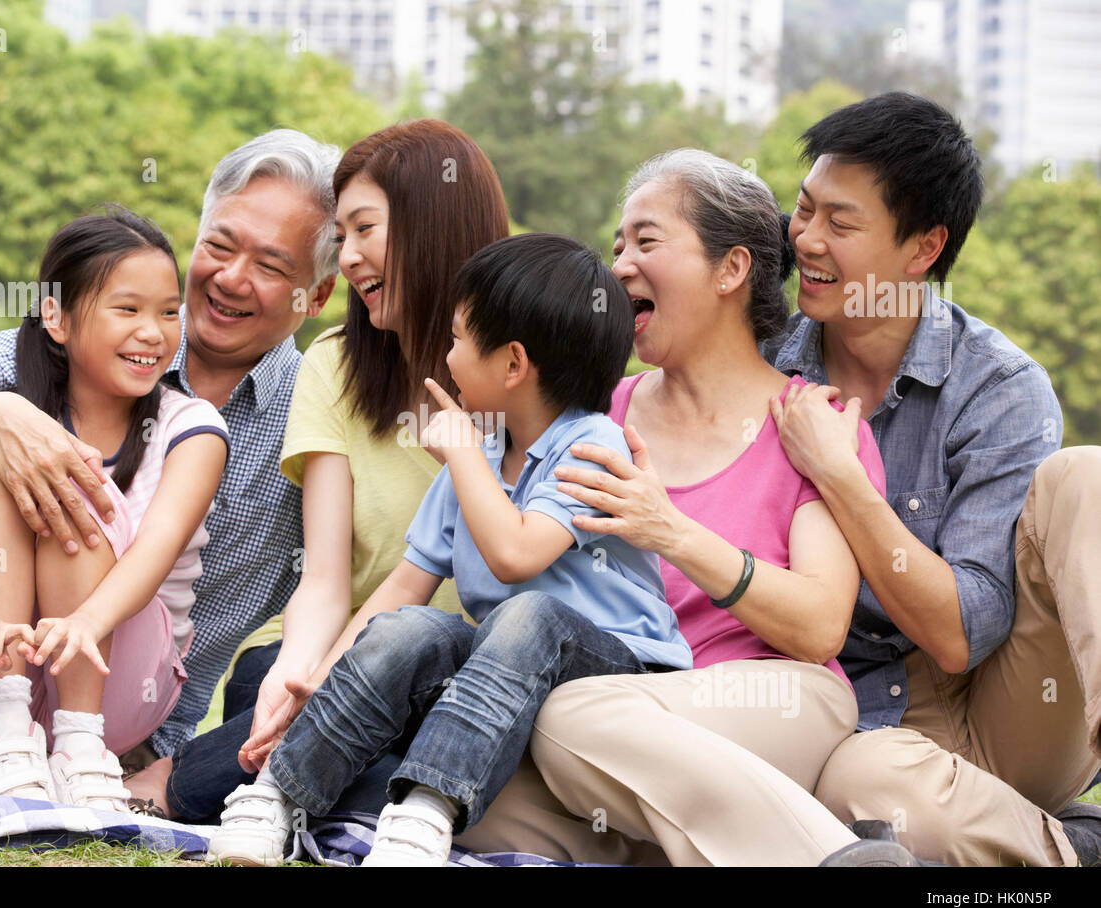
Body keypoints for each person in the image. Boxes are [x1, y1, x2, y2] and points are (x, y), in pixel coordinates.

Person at [0, 129, 339, 794]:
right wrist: (1, 417)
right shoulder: (95, 333)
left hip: (119, 713)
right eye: (220, 247)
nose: (231, 279)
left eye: (271, 266)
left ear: (316, 298)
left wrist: (179, 768)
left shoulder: (314, 416)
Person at [458, 148, 908, 867]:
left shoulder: (815, 426)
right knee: (466, 798)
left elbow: (820, 624)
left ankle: (825, 860)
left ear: (732, 270)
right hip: (616, 717)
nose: (620, 267)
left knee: (574, 721)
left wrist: (669, 530)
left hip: (778, 700)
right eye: (616, 248)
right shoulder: (589, 416)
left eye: (646, 241)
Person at [209, 233, 693, 866]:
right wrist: (319, 681)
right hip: (510, 663)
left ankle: (423, 817)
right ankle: (277, 796)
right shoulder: (481, 454)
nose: (448, 355)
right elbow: (400, 590)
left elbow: (516, 557)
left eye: (461, 339)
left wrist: (463, 453)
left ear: (513, 364)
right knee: (411, 628)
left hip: (620, 669)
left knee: (527, 613)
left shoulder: (593, 446)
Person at [124, 118, 512, 821]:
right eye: (344, 236)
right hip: (324, 646)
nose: (352, 257)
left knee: (411, 706)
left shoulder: (522, 368)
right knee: (273, 691)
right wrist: (301, 672)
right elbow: (325, 578)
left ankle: (180, 783)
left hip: (450, 670)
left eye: (366, 230)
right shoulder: (336, 363)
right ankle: (309, 777)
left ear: (434, 225)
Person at [761, 92, 1101, 866]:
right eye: (804, 210)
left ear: (922, 250)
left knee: (1087, 476)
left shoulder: (998, 385)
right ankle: (1074, 850)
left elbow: (960, 635)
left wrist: (840, 478)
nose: (807, 239)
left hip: (1006, 705)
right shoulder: (765, 366)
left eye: (839, 224)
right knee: (873, 789)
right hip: (867, 734)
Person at [0, 208, 228, 810]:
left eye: (169, 312)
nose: (154, 331)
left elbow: (153, 553)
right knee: (10, 455)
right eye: (128, 309)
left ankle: (78, 746)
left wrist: (86, 623)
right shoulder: (11, 415)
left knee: (75, 479)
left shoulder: (192, 430)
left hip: (116, 679)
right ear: (56, 318)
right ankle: (8, 732)